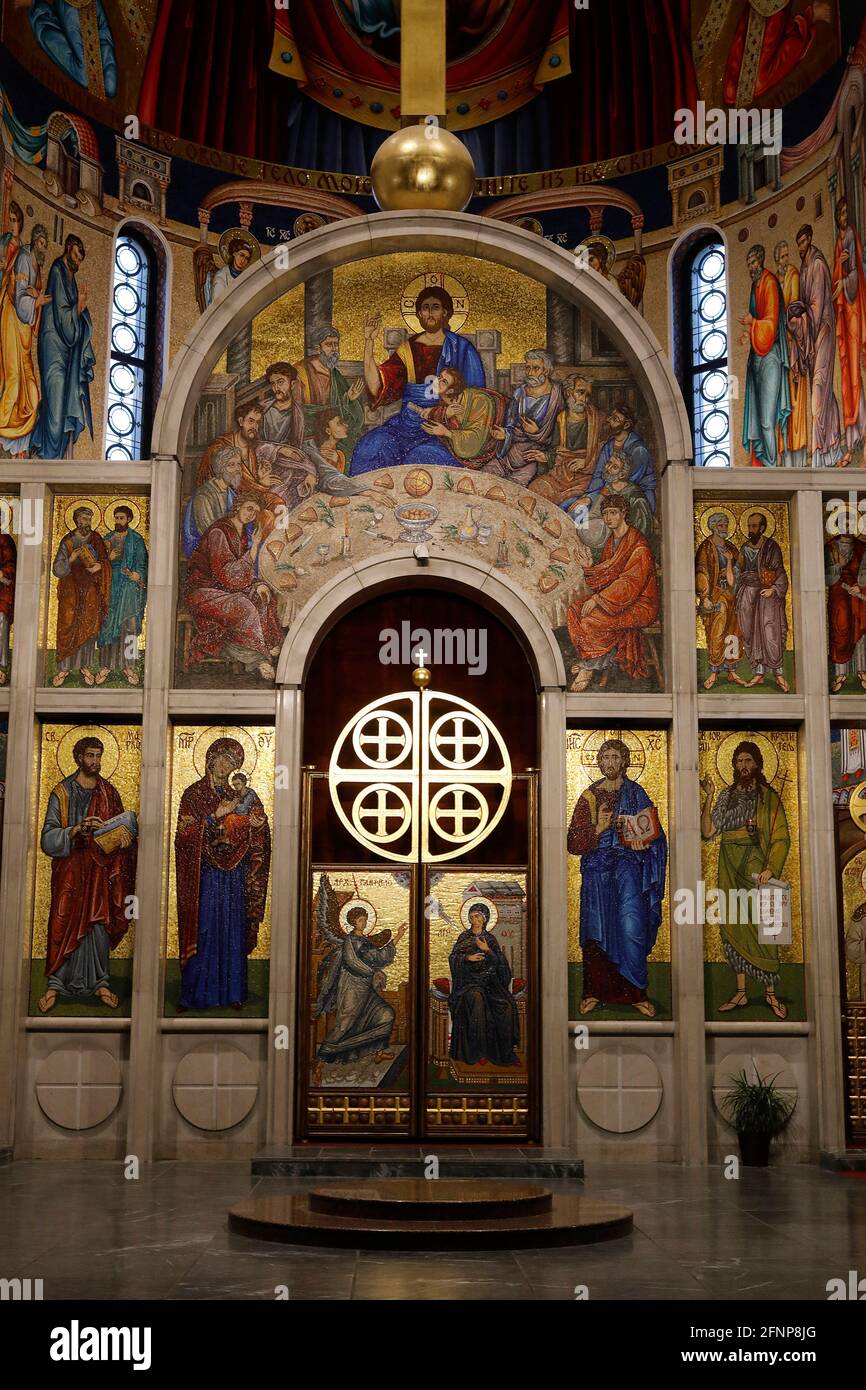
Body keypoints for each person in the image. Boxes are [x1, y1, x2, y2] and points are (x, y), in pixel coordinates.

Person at [567, 738, 667, 1017]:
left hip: (628, 870)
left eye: (615, 757)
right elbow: (573, 842)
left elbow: (655, 834)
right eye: (605, 758)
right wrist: (598, 828)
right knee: (595, 931)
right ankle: (593, 992)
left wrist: (644, 843)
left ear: (624, 761)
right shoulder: (589, 796)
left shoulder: (637, 794)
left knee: (631, 927)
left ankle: (636, 993)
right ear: (598, 762)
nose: (609, 762)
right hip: (597, 871)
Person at [37, 736, 136, 1014]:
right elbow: (48, 838)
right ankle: (56, 983)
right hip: (70, 870)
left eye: (99, 756)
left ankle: (101, 982)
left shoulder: (109, 792)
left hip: (100, 872)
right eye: (90, 755)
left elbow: (123, 827)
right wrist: (76, 830)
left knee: (98, 925)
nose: (95, 761)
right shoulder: (62, 792)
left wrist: (124, 838)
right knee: (63, 921)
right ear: (79, 757)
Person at [175, 737, 271, 1011]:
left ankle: (232, 993)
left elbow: (259, 833)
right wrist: (214, 816)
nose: (226, 766)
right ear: (211, 758)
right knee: (205, 928)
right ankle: (194, 994)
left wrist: (258, 826)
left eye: (233, 763)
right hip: (205, 875)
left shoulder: (240, 796)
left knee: (232, 930)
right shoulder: (193, 794)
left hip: (234, 877)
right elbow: (183, 835)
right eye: (223, 759)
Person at [349, 285, 484, 474]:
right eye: (425, 308)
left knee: (421, 459)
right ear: (419, 314)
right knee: (370, 446)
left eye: (435, 307)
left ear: (445, 312)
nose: (429, 313)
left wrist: (448, 417)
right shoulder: (408, 349)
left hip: (440, 430)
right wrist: (369, 342)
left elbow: (476, 398)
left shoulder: (461, 349)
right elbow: (377, 386)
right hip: (405, 426)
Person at [701, 740, 791, 1019]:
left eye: (748, 761)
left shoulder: (768, 798)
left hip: (756, 866)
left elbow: (780, 837)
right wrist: (709, 796)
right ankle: (740, 992)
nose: (743, 766)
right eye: (739, 761)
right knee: (734, 926)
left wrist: (771, 868)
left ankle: (770, 995)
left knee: (764, 927)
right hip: (728, 864)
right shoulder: (726, 797)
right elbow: (708, 831)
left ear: (758, 764)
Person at [567, 494, 660, 692]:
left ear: (624, 513)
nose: (608, 518)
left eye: (613, 513)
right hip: (618, 600)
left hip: (639, 604)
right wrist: (590, 568)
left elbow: (629, 583)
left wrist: (598, 599)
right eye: (605, 513)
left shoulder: (639, 546)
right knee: (574, 610)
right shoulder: (613, 540)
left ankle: (589, 668)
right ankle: (591, 657)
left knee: (589, 621)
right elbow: (608, 574)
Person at [185, 495, 283, 681]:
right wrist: (254, 548)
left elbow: (238, 573)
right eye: (248, 508)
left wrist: (258, 583)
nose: (251, 514)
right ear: (238, 507)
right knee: (244, 607)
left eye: (255, 511)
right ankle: (259, 659)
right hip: (203, 591)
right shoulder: (219, 532)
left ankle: (265, 644)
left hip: (225, 588)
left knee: (263, 596)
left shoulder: (241, 532)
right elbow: (228, 574)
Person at [314, 906, 408, 1065]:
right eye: (360, 920)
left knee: (386, 1014)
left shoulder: (365, 941)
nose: (363, 923)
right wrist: (373, 972)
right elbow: (353, 963)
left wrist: (398, 936)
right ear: (352, 922)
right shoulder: (349, 942)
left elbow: (379, 956)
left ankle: (378, 1050)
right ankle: (321, 1060)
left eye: (365, 919)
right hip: (352, 989)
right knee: (344, 1026)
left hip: (367, 989)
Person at [30, 234, 95, 459]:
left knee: (61, 401)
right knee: (56, 404)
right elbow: (62, 316)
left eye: (80, 259)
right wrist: (78, 309)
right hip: (53, 350)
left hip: (65, 353)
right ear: (68, 249)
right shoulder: (58, 272)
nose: (77, 262)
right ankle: (47, 456)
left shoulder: (71, 278)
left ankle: (49, 455)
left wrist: (80, 310)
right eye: (76, 256)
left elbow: (72, 324)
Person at [788, 223, 843, 468]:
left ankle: (821, 450)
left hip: (822, 333)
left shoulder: (818, 265)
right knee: (820, 390)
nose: (800, 247)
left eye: (802, 242)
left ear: (809, 240)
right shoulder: (804, 266)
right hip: (812, 335)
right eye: (797, 243)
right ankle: (830, 445)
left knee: (820, 389)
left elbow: (818, 308)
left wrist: (802, 319)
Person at [448, 902, 520, 1066]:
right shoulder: (464, 938)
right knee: (478, 1000)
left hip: (490, 983)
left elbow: (501, 964)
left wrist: (487, 950)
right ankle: (478, 1052)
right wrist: (467, 958)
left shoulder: (490, 940)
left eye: (478, 916)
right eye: (472, 916)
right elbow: (453, 958)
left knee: (506, 1006)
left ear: (485, 919)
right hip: (468, 984)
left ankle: (503, 1053)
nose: (475, 920)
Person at [0, 214, 48, 457]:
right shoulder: (24, 260)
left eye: (45, 246)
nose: (43, 250)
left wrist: (37, 300)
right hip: (13, 324)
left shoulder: (35, 264)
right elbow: (20, 302)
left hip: (25, 334)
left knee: (32, 394)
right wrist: (36, 302)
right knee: (14, 382)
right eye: (40, 244)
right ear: (34, 240)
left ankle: (20, 445)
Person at [50, 504, 111, 687]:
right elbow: (57, 569)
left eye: (89, 519)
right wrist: (71, 559)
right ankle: (65, 667)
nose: (87, 522)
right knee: (67, 623)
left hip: (91, 588)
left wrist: (100, 566)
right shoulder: (67, 541)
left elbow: (105, 561)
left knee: (88, 625)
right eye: (84, 518)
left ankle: (85, 666)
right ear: (76, 520)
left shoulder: (96, 539)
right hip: (71, 590)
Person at [741, 243, 791, 467]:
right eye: (748, 264)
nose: (751, 268)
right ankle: (767, 464)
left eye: (753, 263)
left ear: (760, 261)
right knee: (759, 421)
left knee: (767, 421)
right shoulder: (755, 285)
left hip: (770, 355)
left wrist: (753, 324)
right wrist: (747, 334)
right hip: (757, 356)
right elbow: (757, 320)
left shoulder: (769, 282)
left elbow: (770, 324)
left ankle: (772, 467)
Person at [561, 403, 656, 519]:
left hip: (630, 498)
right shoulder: (609, 446)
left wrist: (592, 498)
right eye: (611, 416)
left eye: (615, 419)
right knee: (567, 505)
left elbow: (625, 485)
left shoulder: (638, 450)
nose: (608, 420)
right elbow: (598, 475)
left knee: (581, 516)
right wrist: (588, 496)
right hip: (605, 493)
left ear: (626, 425)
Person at [487, 349, 563, 487]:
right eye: (528, 367)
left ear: (546, 370)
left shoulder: (558, 396)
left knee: (513, 490)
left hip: (534, 460)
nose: (530, 372)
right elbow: (511, 425)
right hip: (510, 455)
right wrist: (505, 434)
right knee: (484, 479)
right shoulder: (519, 393)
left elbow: (562, 435)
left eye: (536, 368)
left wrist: (536, 433)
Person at [733, 511, 789, 691]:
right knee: (749, 633)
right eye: (749, 526)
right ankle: (758, 672)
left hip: (767, 596)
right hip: (747, 594)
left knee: (770, 633)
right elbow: (738, 571)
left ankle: (778, 674)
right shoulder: (744, 548)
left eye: (754, 526)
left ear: (763, 527)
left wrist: (774, 590)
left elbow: (779, 571)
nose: (750, 529)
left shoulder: (772, 546)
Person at [293, 325, 366, 456]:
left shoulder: (334, 373)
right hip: (310, 431)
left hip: (333, 429)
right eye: (329, 345)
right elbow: (299, 410)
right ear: (318, 348)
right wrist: (344, 401)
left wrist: (350, 400)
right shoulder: (301, 372)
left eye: (336, 345)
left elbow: (342, 413)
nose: (334, 349)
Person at [95, 505, 148, 687]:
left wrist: (138, 575)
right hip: (111, 585)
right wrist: (107, 559)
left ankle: (130, 666)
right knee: (107, 624)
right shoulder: (107, 539)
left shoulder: (137, 539)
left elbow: (142, 563)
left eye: (122, 518)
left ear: (129, 520)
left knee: (129, 626)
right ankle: (106, 666)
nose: (118, 521)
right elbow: (96, 563)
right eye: (116, 518)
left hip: (129, 588)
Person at [530, 374, 602, 503]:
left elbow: (606, 452)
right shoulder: (561, 418)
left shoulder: (598, 420)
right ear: (569, 392)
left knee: (573, 500)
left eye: (587, 395)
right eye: (580, 392)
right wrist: (546, 457)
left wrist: (586, 462)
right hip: (561, 474)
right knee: (536, 489)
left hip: (585, 476)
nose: (584, 399)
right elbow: (555, 449)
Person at [414, 366, 503, 468]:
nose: (437, 381)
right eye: (439, 377)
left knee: (424, 454)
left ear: (450, 391)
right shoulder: (444, 400)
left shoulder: (479, 401)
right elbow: (439, 415)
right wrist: (441, 413)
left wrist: (446, 432)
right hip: (450, 448)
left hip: (477, 455)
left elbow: (476, 441)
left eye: (444, 381)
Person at [832, 198, 866, 462]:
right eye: (840, 212)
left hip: (853, 310)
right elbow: (836, 279)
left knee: (854, 369)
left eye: (846, 211)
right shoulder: (838, 242)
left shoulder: (851, 236)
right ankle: (852, 434)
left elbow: (854, 277)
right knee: (846, 370)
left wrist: (844, 281)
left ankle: (861, 426)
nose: (843, 216)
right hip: (843, 314)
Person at [28, 0, 118, 99]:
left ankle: (51, 18)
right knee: (87, 78)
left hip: (93, 4)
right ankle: (40, 15)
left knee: (110, 87)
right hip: (71, 4)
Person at [695, 512, 744, 689]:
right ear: (713, 526)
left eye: (726, 525)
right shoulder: (706, 547)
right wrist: (705, 597)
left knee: (734, 631)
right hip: (715, 595)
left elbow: (741, 569)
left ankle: (731, 670)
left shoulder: (731, 548)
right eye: (721, 525)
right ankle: (714, 672)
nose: (725, 528)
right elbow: (701, 572)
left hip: (733, 594)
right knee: (717, 631)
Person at [772, 240, 808, 467]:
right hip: (780, 350)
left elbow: (794, 308)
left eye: (787, 256)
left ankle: (799, 453)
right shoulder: (775, 280)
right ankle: (784, 454)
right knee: (781, 401)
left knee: (796, 400)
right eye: (782, 257)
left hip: (793, 346)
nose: (785, 261)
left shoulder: (793, 274)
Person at [182, 448, 243, 558]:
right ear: (220, 468)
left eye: (239, 464)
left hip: (227, 546)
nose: (237, 469)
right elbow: (209, 532)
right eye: (231, 465)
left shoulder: (231, 494)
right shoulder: (203, 496)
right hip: (205, 551)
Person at [826, 532, 866, 692]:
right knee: (840, 629)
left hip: (857, 596)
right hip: (839, 595)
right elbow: (825, 577)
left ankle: (862, 671)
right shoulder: (830, 547)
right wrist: (838, 566)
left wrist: (861, 586)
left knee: (859, 628)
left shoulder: (862, 547)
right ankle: (840, 673)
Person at [260, 362, 306, 452]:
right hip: (264, 454)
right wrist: (276, 450)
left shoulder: (298, 413)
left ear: (292, 384)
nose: (276, 388)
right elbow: (252, 441)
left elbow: (297, 444)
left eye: (280, 382)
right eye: (273, 384)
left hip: (288, 457)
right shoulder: (262, 408)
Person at [205, 239, 252, 307]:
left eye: (247, 258)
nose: (243, 260)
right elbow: (217, 301)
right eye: (241, 255)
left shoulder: (245, 278)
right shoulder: (221, 276)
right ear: (234, 253)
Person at [0, 529, 15, 684]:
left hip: (2, 592)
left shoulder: (4, 540)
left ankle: (1, 666)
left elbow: (11, 565)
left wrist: (2, 573)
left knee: (1, 619)